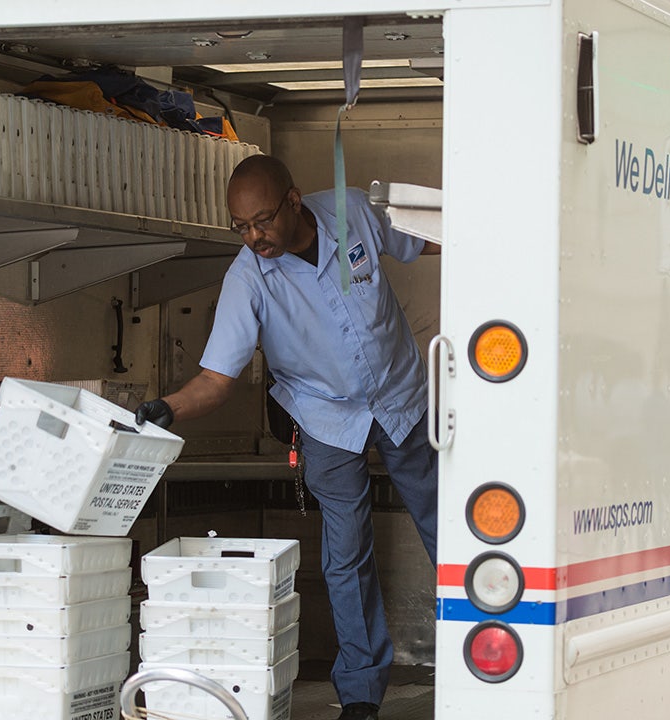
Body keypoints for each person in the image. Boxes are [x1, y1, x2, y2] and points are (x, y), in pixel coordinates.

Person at [135, 154, 439, 720]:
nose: (254, 236)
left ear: (295, 201)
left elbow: (429, 238)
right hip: (326, 419)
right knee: (346, 557)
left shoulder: (353, 213)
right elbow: (216, 379)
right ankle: (362, 696)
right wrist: (167, 408)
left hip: (402, 396)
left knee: (449, 528)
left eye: (263, 221)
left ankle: (486, 659)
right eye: (241, 227)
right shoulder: (247, 278)